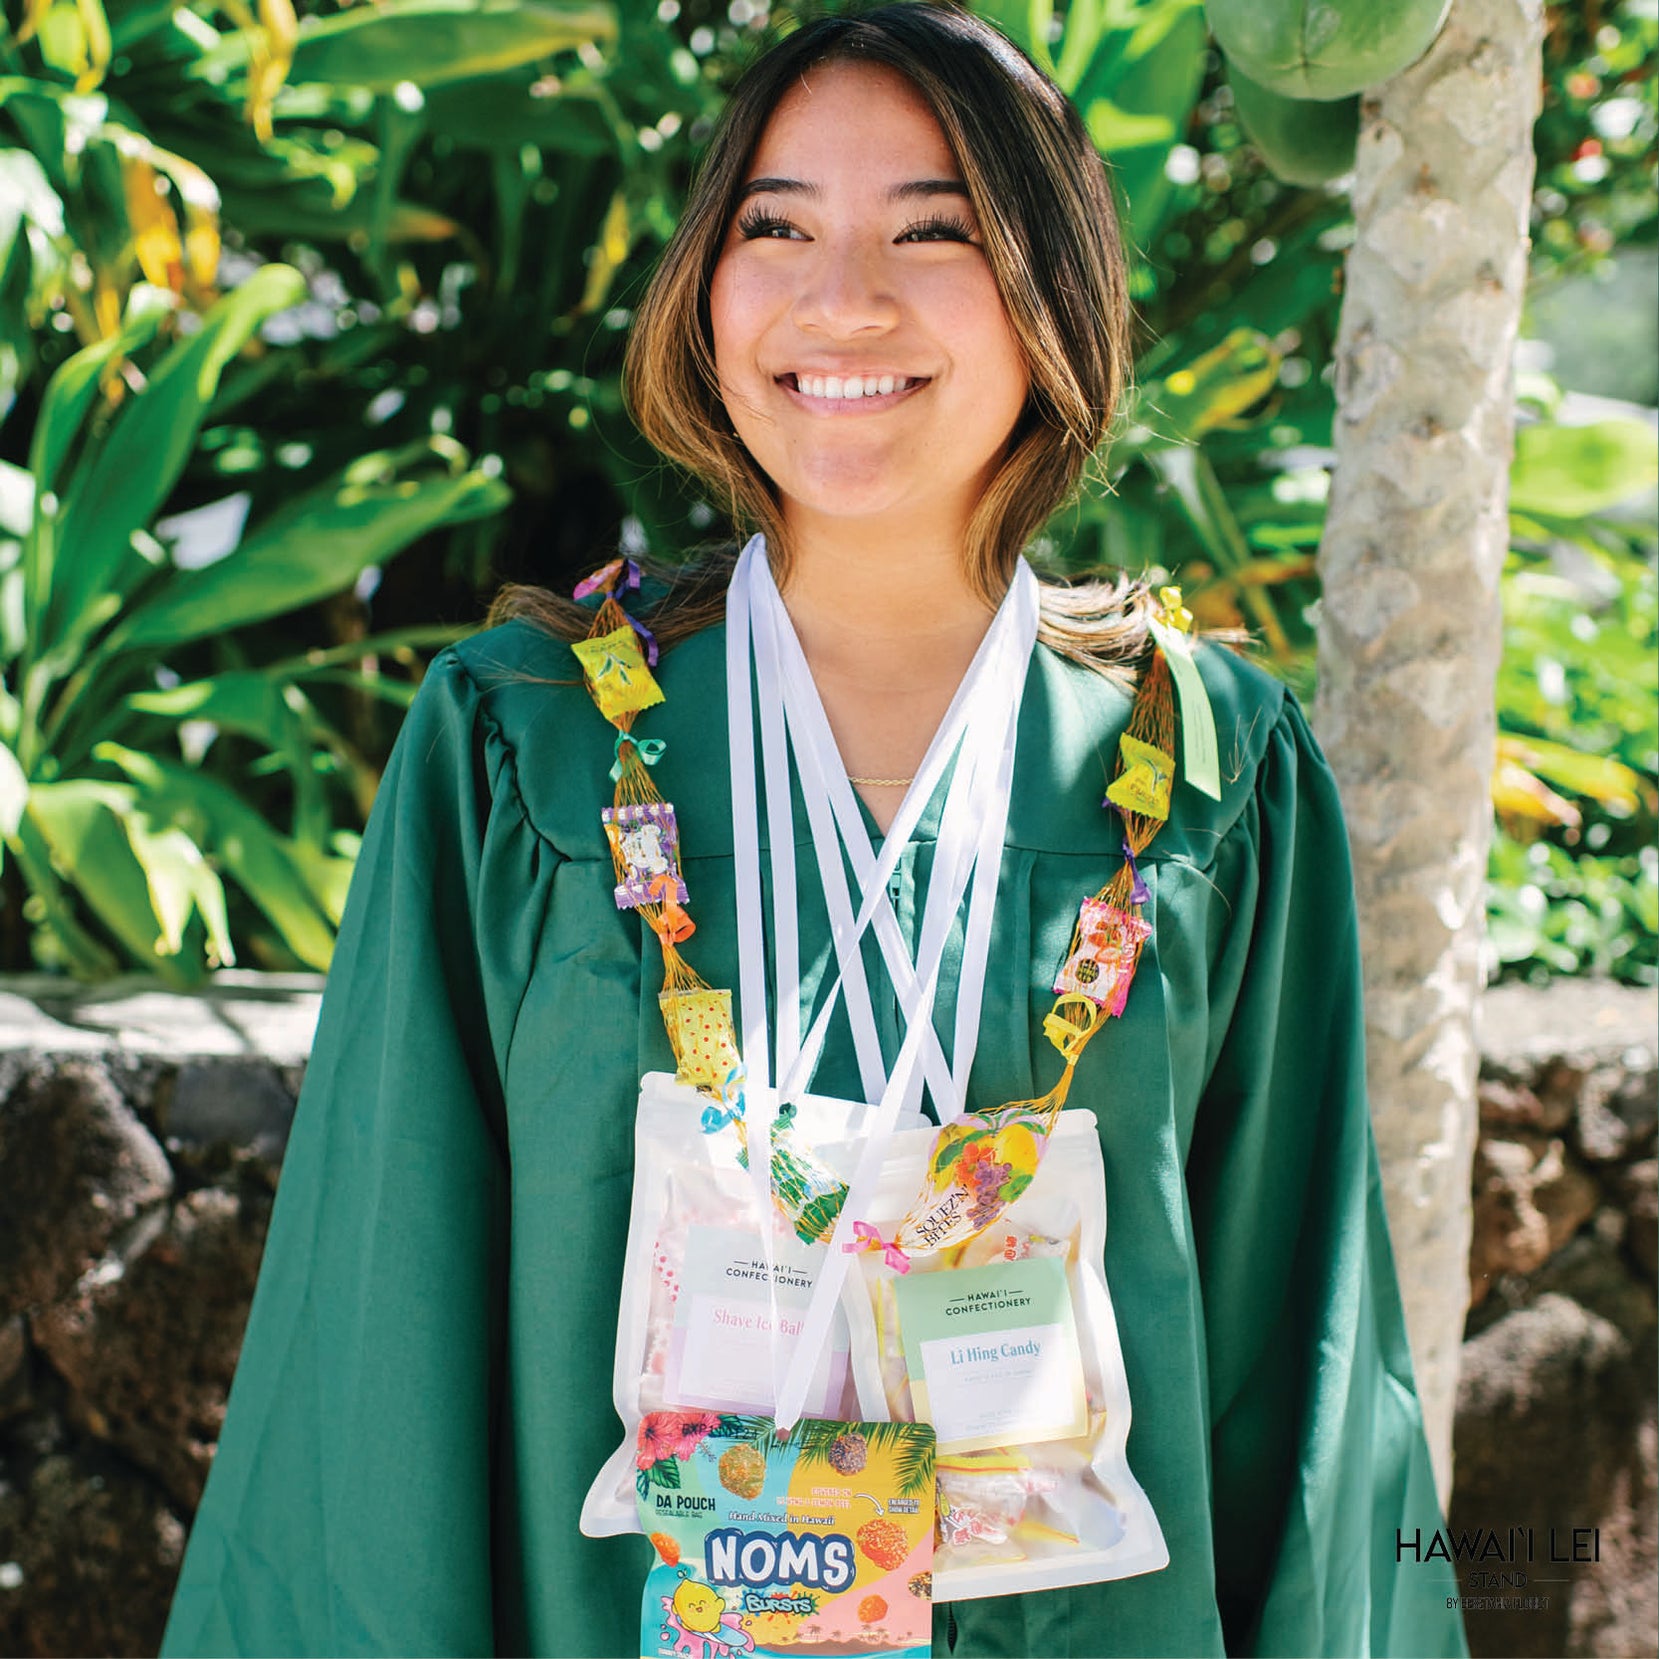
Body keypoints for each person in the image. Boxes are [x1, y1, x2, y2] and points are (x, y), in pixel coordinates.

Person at [161, 6, 1470, 1656]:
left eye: (935, 234)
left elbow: (1310, 1358)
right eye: (774, 227)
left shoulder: (1203, 772)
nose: (840, 298)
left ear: (1052, 293)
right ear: (706, 286)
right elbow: (377, 1361)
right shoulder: (530, 750)